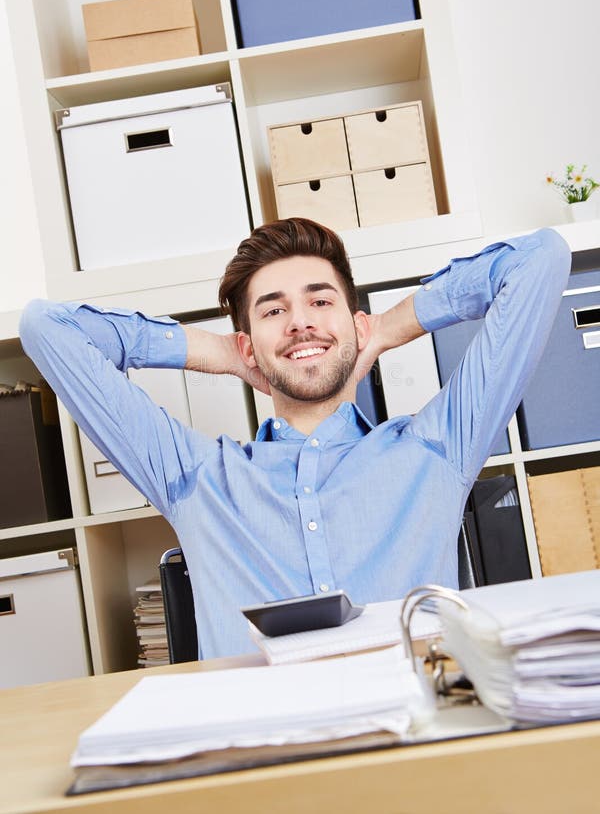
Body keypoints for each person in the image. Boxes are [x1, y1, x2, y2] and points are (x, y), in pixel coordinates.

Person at [20, 218, 571, 659]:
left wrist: (384, 329)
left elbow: (541, 258)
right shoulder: (194, 476)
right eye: (274, 311)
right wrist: (222, 355)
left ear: (354, 324)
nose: (300, 323)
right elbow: (47, 328)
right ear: (248, 344)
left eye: (320, 302)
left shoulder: (437, 448)